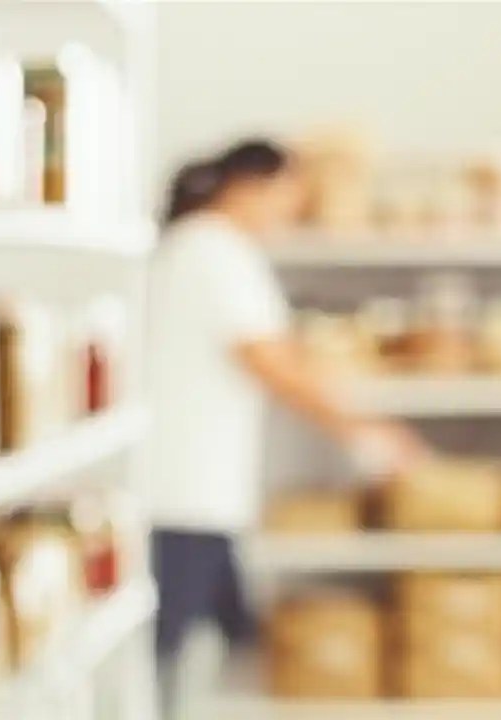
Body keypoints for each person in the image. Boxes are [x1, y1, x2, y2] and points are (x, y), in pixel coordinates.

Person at [147, 139, 427, 706]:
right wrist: (367, 431)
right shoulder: (216, 251)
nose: (292, 214)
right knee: (184, 658)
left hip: (187, 489)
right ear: (255, 186)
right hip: (186, 493)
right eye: (291, 197)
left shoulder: (194, 246)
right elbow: (275, 365)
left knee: (210, 649)